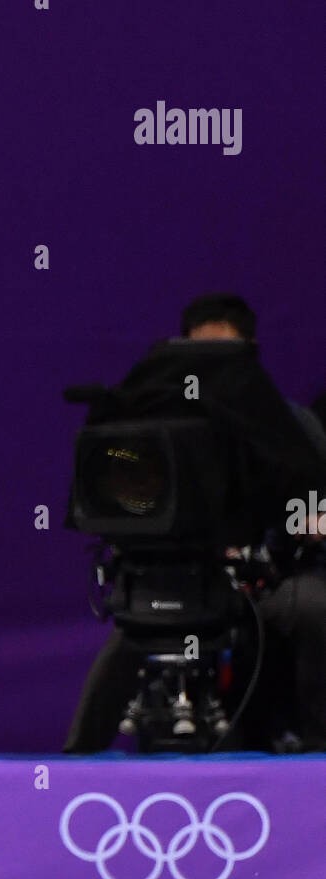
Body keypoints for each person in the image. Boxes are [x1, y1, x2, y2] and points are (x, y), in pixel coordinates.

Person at [63, 293, 326, 753]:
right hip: (171, 579)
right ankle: (74, 764)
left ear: (250, 353)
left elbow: (311, 502)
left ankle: (316, 747)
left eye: (224, 357)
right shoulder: (148, 430)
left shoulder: (292, 426)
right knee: (132, 632)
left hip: (262, 578)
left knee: (314, 607)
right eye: (200, 354)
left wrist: (305, 523)